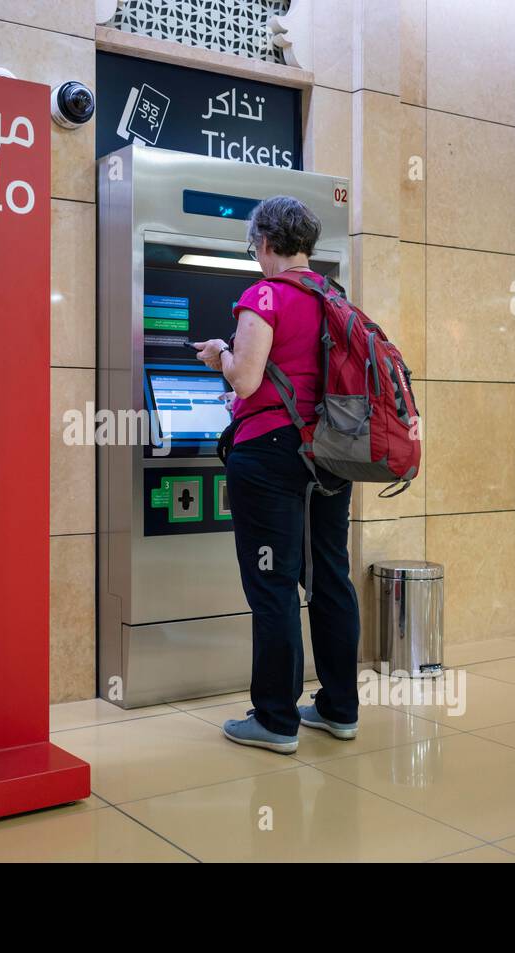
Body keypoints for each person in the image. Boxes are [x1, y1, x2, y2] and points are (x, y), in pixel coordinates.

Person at [192, 195, 360, 755]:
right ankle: (339, 710)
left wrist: (220, 352)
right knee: (330, 576)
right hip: (330, 455)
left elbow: (245, 379)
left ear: (264, 243)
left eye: (254, 247)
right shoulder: (333, 296)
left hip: (270, 456)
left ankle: (276, 719)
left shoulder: (263, 294)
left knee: (273, 582)